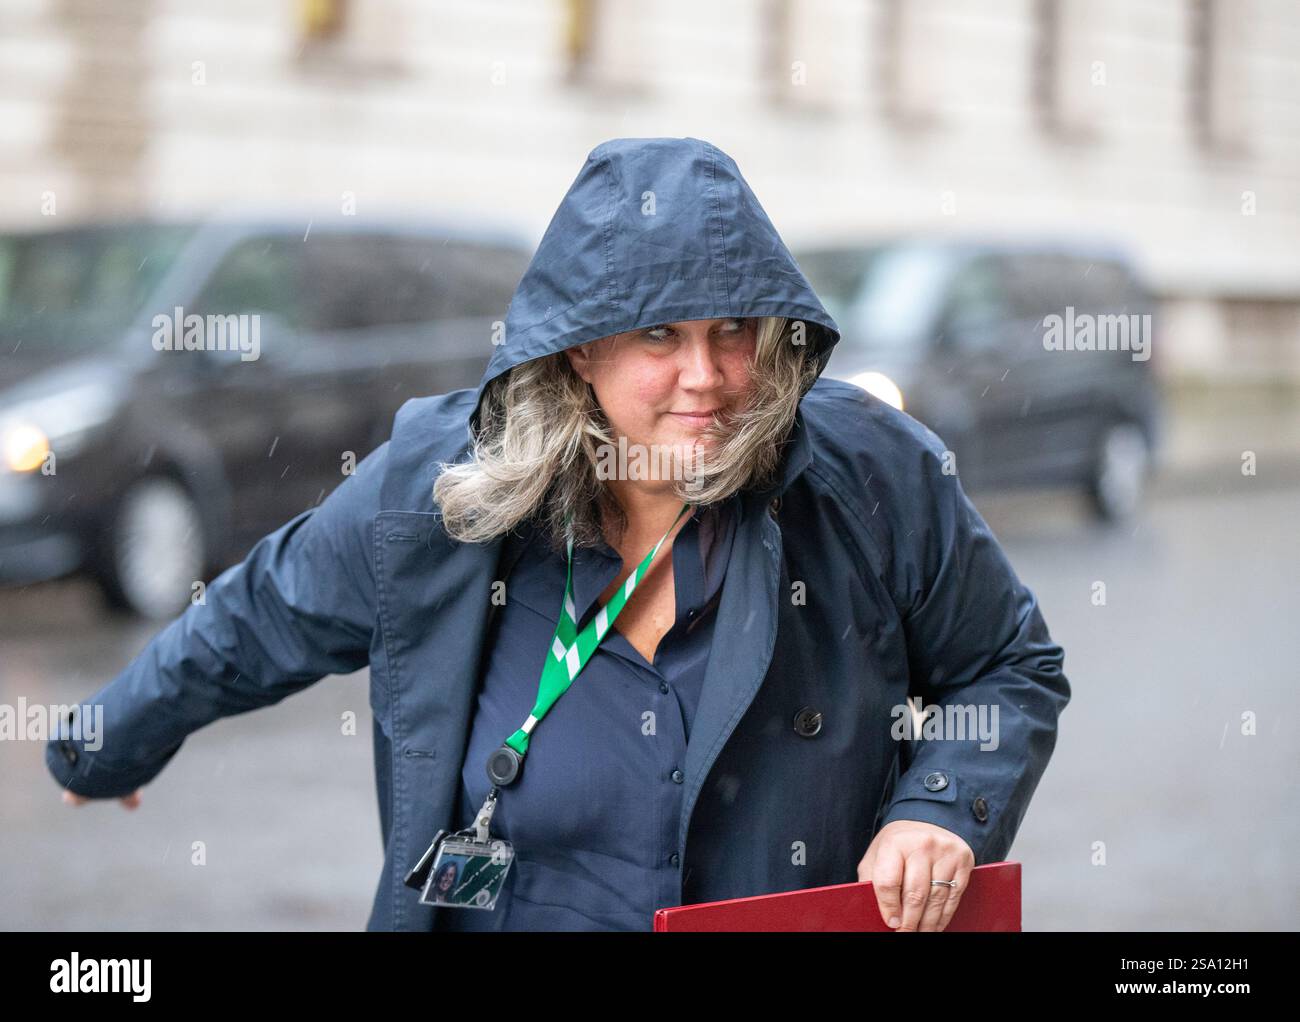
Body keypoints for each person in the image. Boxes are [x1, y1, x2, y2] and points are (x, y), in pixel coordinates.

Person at [49, 136, 1070, 933]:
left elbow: (1008, 663)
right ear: (580, 346)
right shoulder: (442, 489)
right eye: (659, 334)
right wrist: (107, 740)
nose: (706, 376)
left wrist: (939, 806)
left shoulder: (868, 473)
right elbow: (260, 611)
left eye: (734, 332)